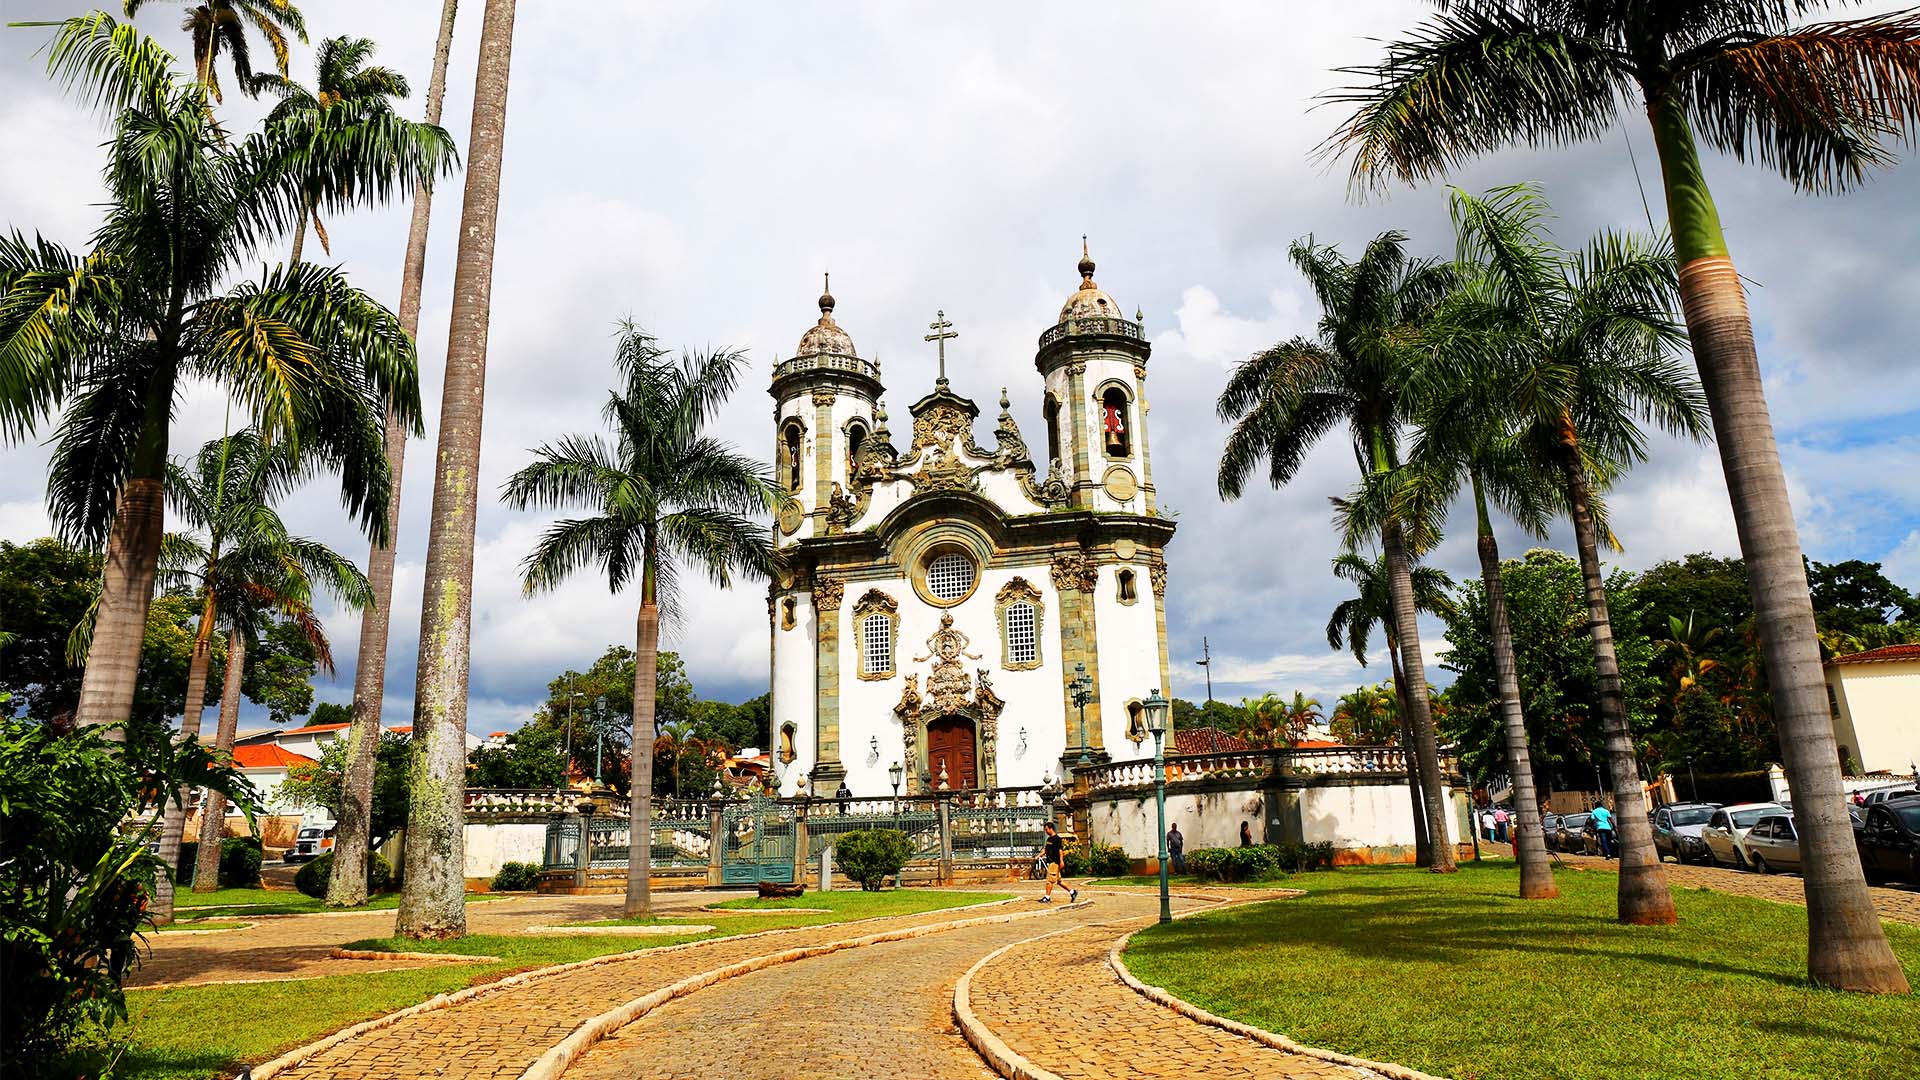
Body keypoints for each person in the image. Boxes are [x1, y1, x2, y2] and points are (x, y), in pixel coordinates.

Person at [1040, 821, 1077, 904]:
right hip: (1051, 861)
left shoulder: (1057, 839)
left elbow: (1060, 850)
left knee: (1049, 880)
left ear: (1051, 829)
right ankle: (1072, 892)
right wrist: (1039, 855)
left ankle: (1047, 897)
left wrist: (1061, 861)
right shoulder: (1049, 839)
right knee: (1058, 881)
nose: (1046, 831)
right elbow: (1046, 850)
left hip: (1054, 862)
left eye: (1046, 829)